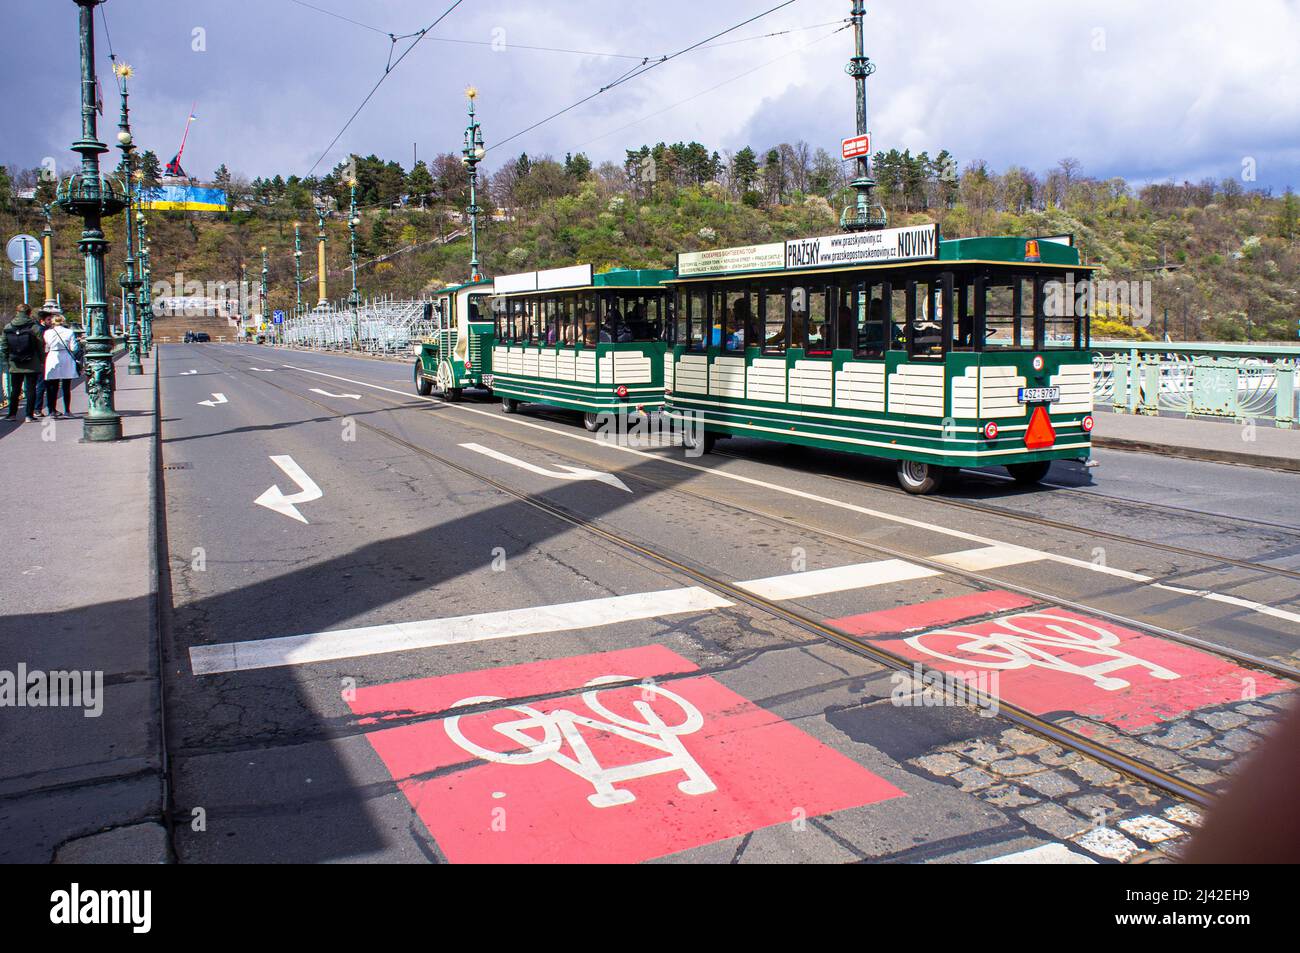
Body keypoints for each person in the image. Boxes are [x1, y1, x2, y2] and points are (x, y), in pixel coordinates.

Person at [2, 304, 46, 422]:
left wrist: (7, 360)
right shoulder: (34, 327)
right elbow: (40, 346)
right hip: (32, 362)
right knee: (31, 389)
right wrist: (42, 361)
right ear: (29, 312)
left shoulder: (8, 327)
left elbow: (4, 346)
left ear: (17, 312)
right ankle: (29, 415)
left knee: (15, 390)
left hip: (15, 363)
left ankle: (12, 414)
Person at [43, 314, 80, 418]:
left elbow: (47, 346)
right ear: (63, 322)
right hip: (66, 357)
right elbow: (74, 348)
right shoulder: (69, 332)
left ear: (53, 322)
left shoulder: (48, 333)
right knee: (66, 386)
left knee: (52, 386)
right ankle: (67, 410)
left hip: (53, 356)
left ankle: (52, 411)